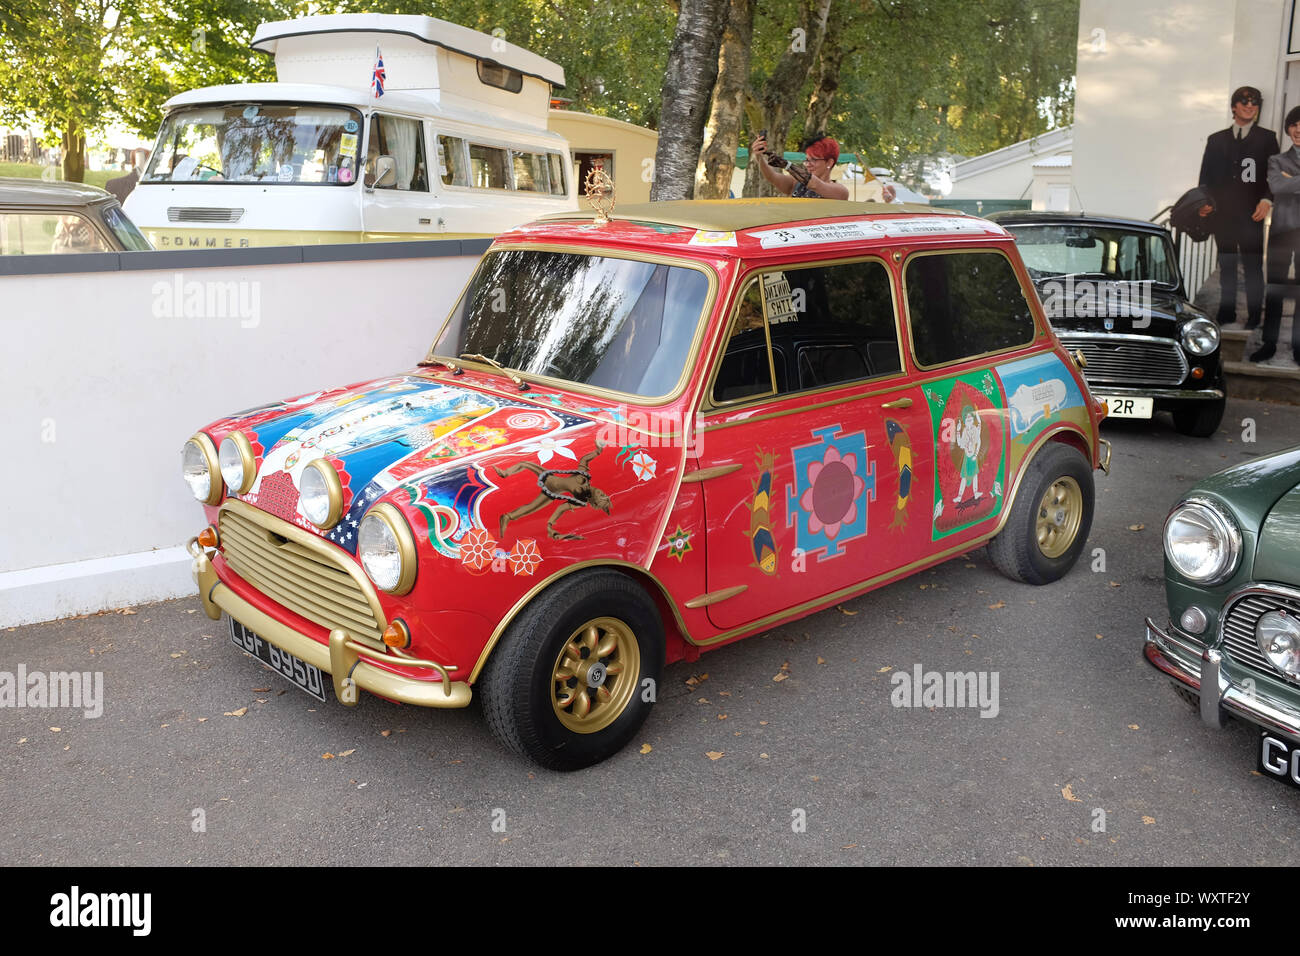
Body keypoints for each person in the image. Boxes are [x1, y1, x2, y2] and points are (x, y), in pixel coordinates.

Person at [1197, 86, 1278, 336]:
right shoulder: (1216, 139)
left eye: (1254, 103)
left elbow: (1274, 175)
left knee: (1253, 268)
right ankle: (1226, 312)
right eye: (1245, 102)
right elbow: (1205, 178)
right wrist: (1205, 202)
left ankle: (1255, 316)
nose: (1250, 106)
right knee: (1227, 265)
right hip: (1223, 216)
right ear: (1234, 107)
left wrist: (1267, 199)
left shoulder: (1267, 138)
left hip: (1251, 215)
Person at [751, 131, 896, 202]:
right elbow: (772, 176)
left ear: (829, 163)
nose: (808, 164)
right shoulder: (795, 182)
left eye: (813, 160)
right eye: (806, 160)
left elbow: (815, 184)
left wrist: (787, 165)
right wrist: (759, 156)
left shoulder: (840, 191)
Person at [1261, 105, 1300, 364]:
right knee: (1274, 289)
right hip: (1282, 231)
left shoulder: (1286, 166)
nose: (1299, 130)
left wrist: (1292, 180)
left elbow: (1287, 185)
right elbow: (1277, 185)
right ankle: (1269, 344)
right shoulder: (1276, 160)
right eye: (1294, 125)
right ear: (1288, 129)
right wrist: (1286, 182)